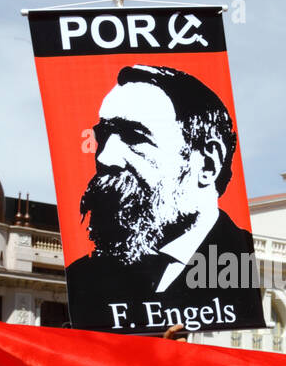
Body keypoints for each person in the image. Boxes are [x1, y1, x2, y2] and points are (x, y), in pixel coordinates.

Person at [64, 64, 261, 332]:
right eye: (103, 137)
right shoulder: (84, 279)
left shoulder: (243, 269)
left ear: (206, 164)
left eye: (134, 137)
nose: (104, 157)